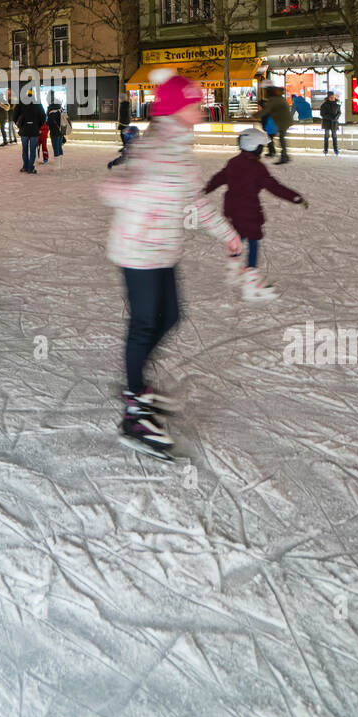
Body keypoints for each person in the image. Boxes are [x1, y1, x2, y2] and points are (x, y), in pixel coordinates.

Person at [100, 71, 241, 458]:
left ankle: (136, 384)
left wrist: (227, 234)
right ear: (179, 109)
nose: (202, 109)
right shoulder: (156, 147)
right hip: (137, 251)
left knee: (171, 317)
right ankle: (134, 407)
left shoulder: (178, 150)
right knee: (145, 322)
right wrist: (124, 190)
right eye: (196, 104)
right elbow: (121, 186)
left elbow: (194, 204)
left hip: (162, 250)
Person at [203, 128, 308, 301]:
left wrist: (205, 189)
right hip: (249, 210)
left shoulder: (233, 162)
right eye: (261, 146)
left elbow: (219, 178)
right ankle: (251, 281)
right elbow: (275, 187)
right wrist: (295, 198)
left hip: (231, 209)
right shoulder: (257, 168)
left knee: (237, 237)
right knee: (253, 240)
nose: (263, 149)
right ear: (255, 147)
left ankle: (233, 270)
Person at [258, 82, 294, 164]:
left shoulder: (274, 97)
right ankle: (283, 156)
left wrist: (255, 114)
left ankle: (283, 156)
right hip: (282, 120)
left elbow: (267, 110)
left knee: (280, 139)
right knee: (280, 138)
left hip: (281, 121)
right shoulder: (277, 96)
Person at [14, 87, 46, 173]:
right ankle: (31, 168)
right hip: (34, 131)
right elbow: (43, 117)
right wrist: (38, 126)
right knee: (32, 150)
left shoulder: (21, 102)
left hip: (24, 130)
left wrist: (20, 125)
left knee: (24, 149)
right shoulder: (37, 103)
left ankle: (25, 166)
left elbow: (14, 116)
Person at [46, 98, 67, 169]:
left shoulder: (51, 112)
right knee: (59, 147)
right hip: (61, 132)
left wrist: (47, 122)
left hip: (54, 132)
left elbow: (50, 122)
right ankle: (60, 165)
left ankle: (57, 166)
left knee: (55, 148)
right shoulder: (60, 110)